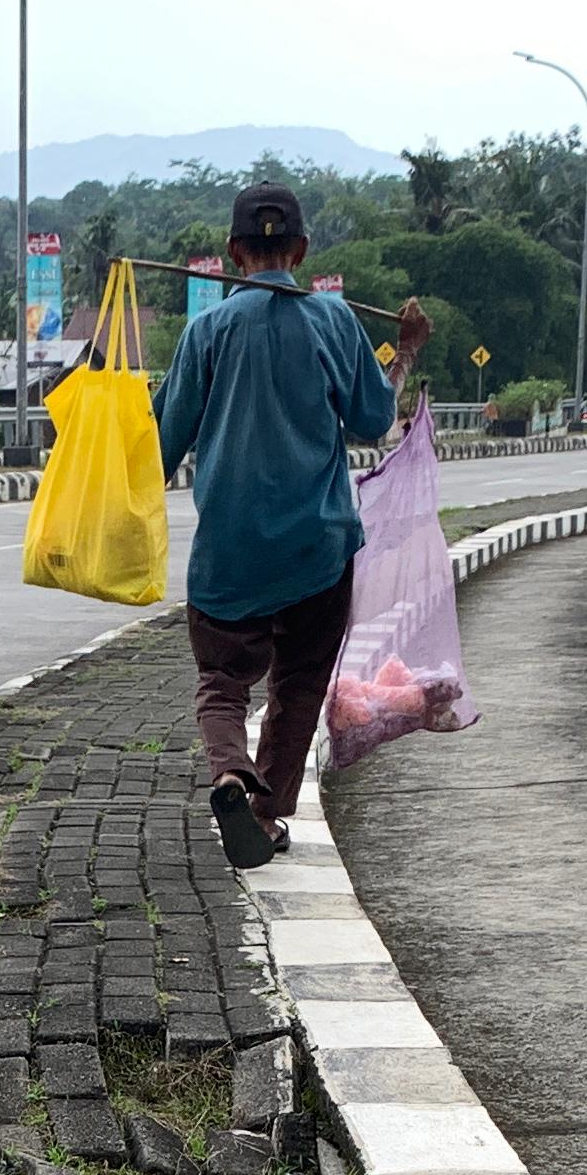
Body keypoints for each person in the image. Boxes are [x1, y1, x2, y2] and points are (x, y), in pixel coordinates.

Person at [150, 183, 431, 869]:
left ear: (234, 252)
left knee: (223, 680)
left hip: (230, 549)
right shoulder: (333, 321)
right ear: (300, 251)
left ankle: (228, 771)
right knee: (298, 684)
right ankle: (263, 812)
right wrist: (405, 351)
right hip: (317, 548)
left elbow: (161, 444)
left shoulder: (206, 331)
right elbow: (373, 419)